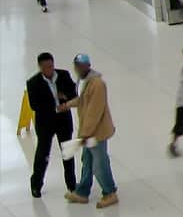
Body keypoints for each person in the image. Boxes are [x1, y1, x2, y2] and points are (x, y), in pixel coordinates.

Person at [61, 53, 117, 208]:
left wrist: (85, 134)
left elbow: (95, 111)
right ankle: (82, 192)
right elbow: (82, 100)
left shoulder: (97, 84)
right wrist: (66, 105)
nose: (78, 68)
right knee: (87, 161)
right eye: (76, 65)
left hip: (96, 133)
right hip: (88, 132)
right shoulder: (83, 81)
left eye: (80, 65)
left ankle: (110, 192)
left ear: (87, 66)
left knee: (99, 164)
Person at [25, 52, 77, 199]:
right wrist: (54, 101)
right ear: (40, 67)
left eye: (52, 65)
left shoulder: (64, 75)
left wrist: (65, 98)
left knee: (68, 153)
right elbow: (35, 105)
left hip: (63, 122)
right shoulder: (33, 83)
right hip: (45, 124)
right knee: (43, 155)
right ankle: (36, 184)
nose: (50, 69)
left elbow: (73, 93)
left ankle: (72, 185)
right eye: (47, 67)